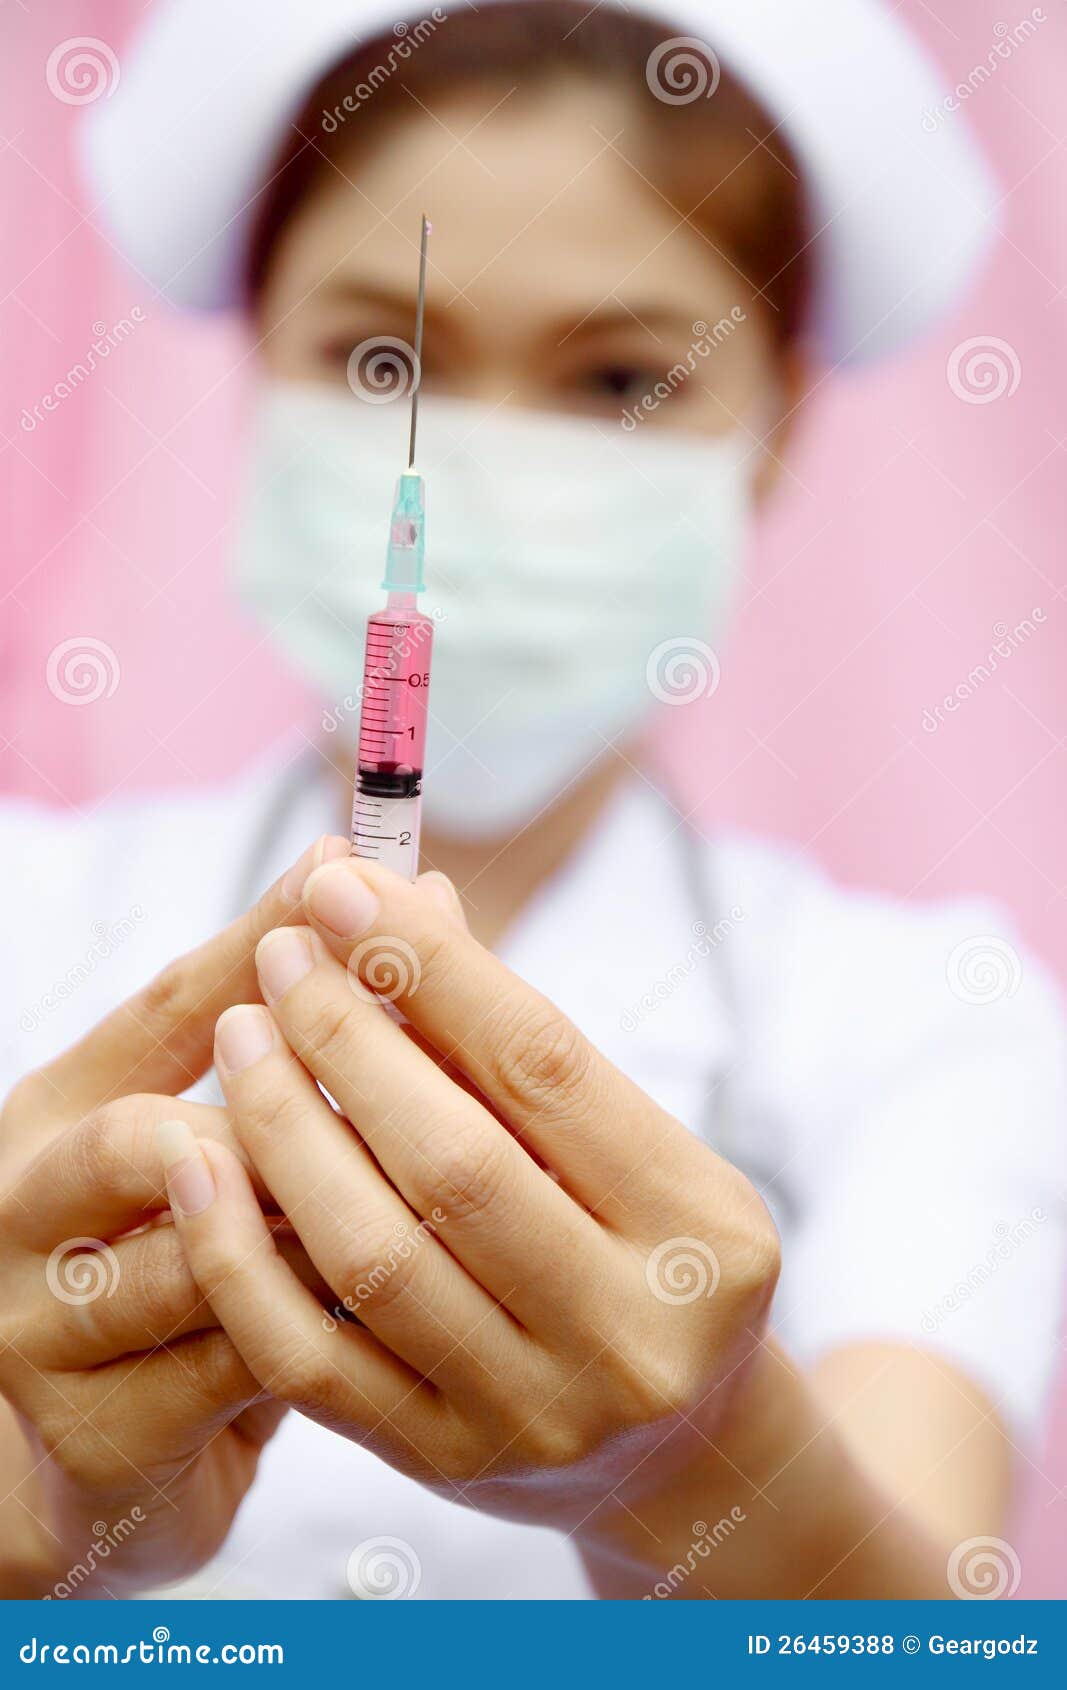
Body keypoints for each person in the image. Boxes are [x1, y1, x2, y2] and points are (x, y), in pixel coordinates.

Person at [1, 0, 1063, 1602]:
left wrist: (700, 1472)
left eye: (624, 378)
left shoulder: (924, 1013)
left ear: (776, 427)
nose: (484, 459)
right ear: (255, 373)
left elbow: (918, 1632)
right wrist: (37, 1526)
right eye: (383, 359)